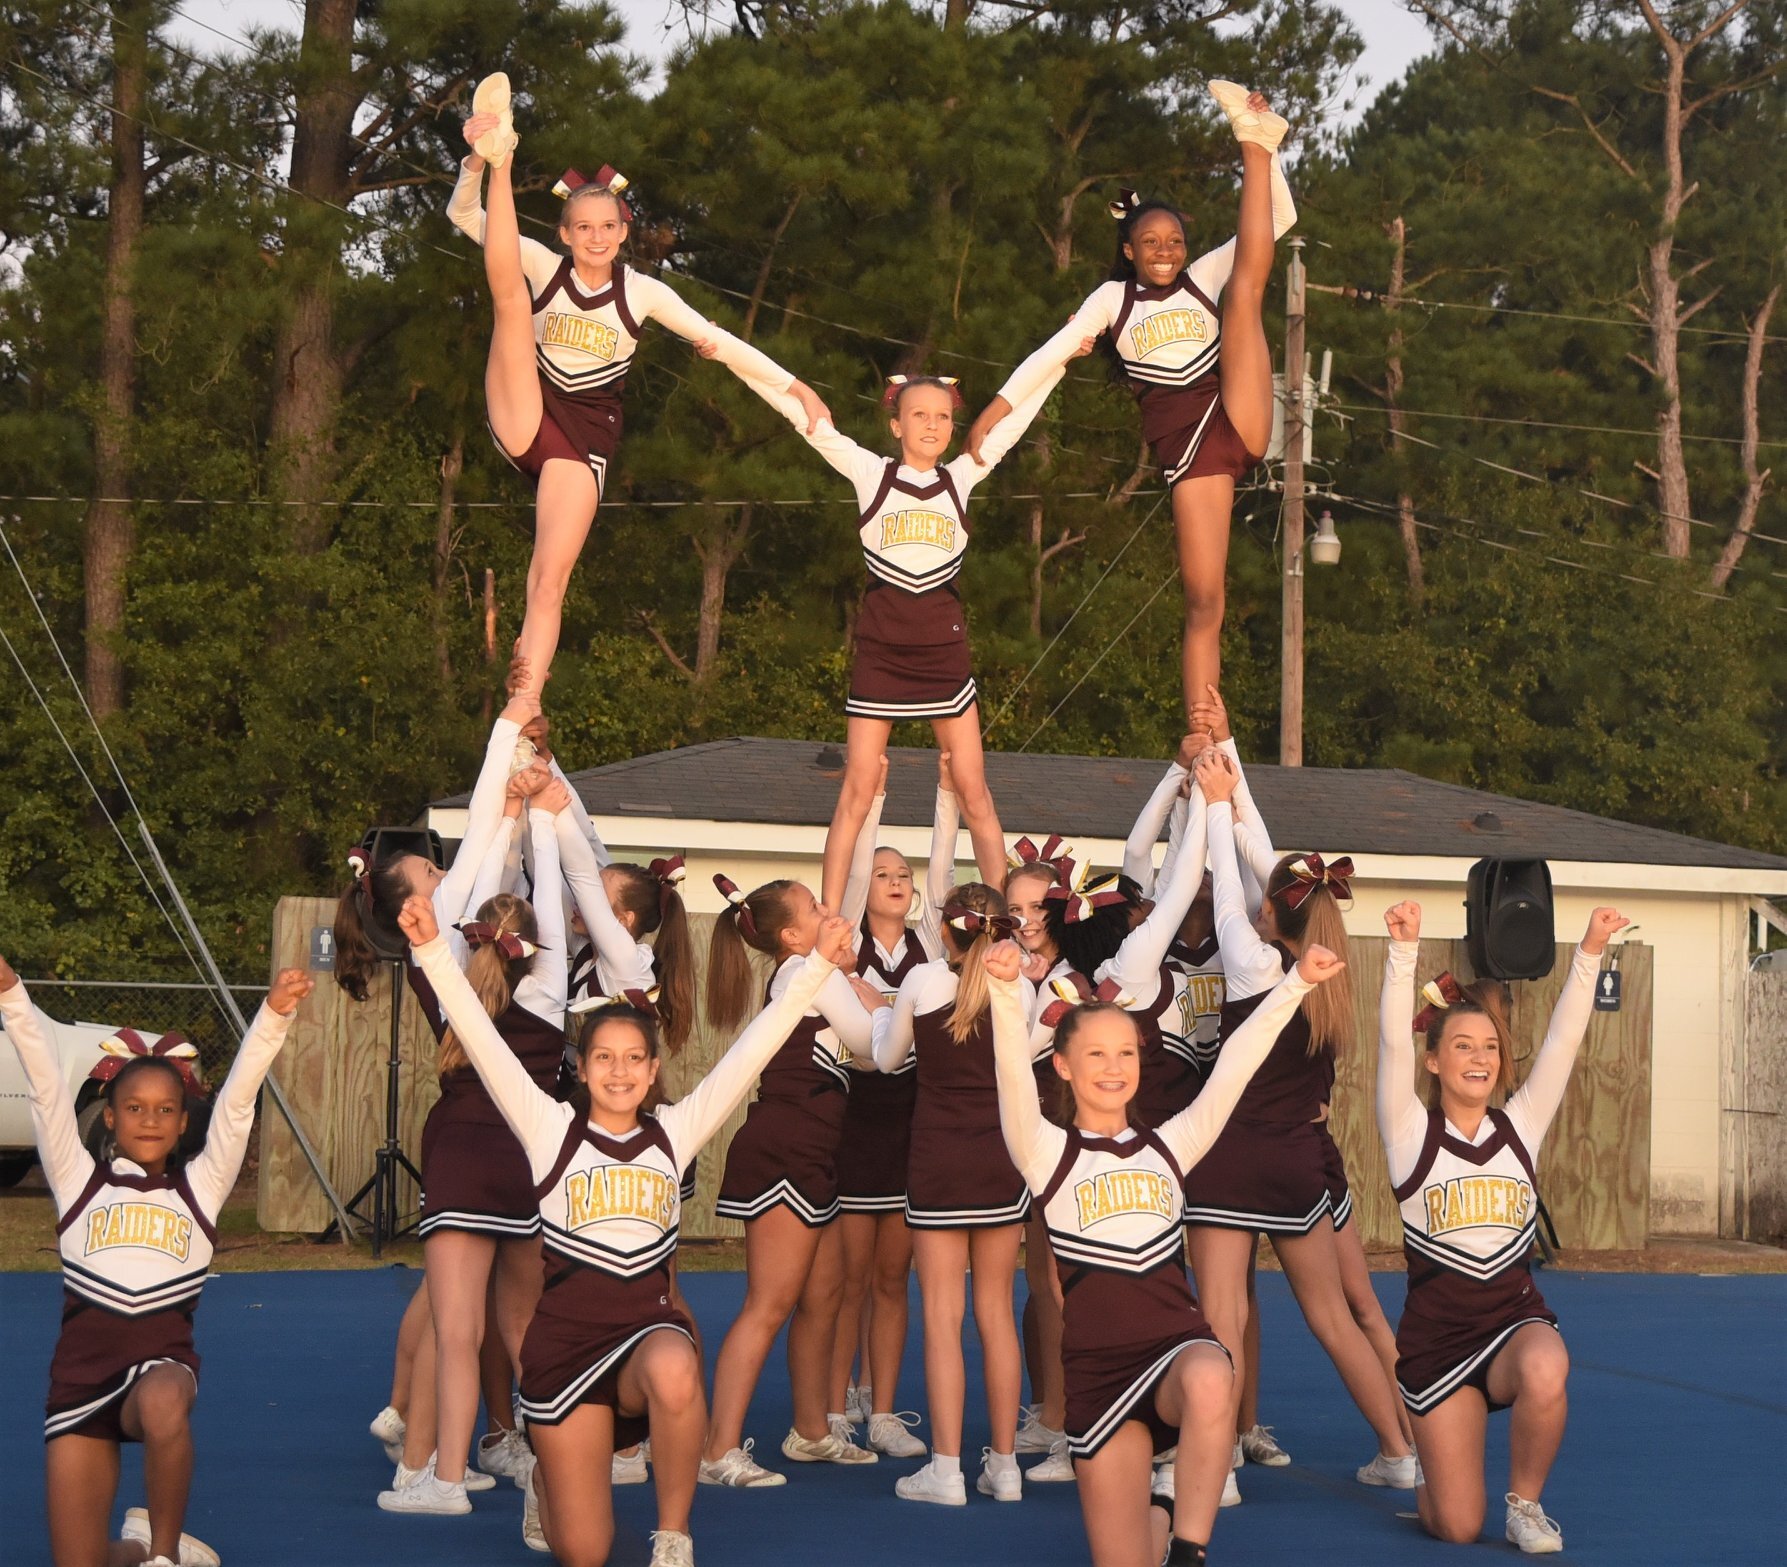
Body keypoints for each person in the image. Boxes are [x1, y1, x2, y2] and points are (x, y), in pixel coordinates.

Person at [399, 889, 857, 1567]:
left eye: (634, 1058)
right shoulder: (548, 1128)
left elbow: (754, 1047)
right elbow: (480, 1037)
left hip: (644, 1336)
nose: (619, 1071)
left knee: (676, 1363)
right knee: (584, 1553)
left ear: (652, 1069)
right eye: (604, 1058)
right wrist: (432, 950)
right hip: (565, 1351)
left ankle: (673, 1535)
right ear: (581, 1069)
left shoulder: (675, 1131)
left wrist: (817, 966)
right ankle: (546, 1481)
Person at [450, 73, 830, 698]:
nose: (597, 238)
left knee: (548, 581)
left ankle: (523, 706)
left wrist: (797, 388)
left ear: (623, 233)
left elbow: (720, 343)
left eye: (608, 227)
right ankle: (503, 157)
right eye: (583, 228)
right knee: (511, 302)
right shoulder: (545, 264)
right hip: (524, 406)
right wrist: (474, 163)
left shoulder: (644, 293)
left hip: (582, 441)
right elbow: (465, 216)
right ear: (565, 235)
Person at [987, 933, 1344, 1567]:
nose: (1114, 1067)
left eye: (1126, 1052)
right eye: (1096, 1053)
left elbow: (1238, 1061)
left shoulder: (1172, 1144)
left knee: (1211, 1373)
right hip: (1099, 1378)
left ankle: (1189, 1548)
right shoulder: (1045, 1152)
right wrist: (1003, 989)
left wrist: (1298, 984)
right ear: (1063, 1066)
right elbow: (1010, 1071)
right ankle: (1159, 1512)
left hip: (1175, 1352)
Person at [964, 84, 1298, 720]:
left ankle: (1254, 146)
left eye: (1174, 241)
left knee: (1244, 292)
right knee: (1205, 601)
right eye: (1151, 242)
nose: (1165, 252)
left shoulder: (1202, 276)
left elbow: (1276, 222)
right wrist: (994, 411)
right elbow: (1050, 356)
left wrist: (1270, 156)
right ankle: (1201, 728)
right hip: (1191, 451)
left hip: (1238, 410)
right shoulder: (1110, 301)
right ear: (1128, 250)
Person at [737, 344, 1092, 913]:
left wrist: (1063, 359)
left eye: (943, 417)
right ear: (895, 425)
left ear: (953, 427)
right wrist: (730, 357)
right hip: (881, 653)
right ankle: (832, 919)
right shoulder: (870, 473)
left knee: (974, 791)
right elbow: (804, 417)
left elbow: (1017, 417)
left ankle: (1006, 917)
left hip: (943, 654)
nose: (932, 425)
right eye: (919, 415)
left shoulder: (962, 476)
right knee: (857, 790)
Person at [1, 952, 312, 1567]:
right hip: (80, 1387)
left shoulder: (200, 1188)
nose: (150, 1119)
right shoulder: (78, 1180)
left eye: (165, 1109)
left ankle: (164, 1557)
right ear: (109, 1116)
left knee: (166, 1397)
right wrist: (12, 994)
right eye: (135, 1107)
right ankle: (140, 1546)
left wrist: (273, 1016)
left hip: (159, 1371)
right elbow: (45, 1086)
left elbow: (237, 1106)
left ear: (182, 1121)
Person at [1184, 749, 1419, 1489]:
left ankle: (1218, 1467)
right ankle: (1399, 1452)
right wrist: (1233, 783)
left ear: (1270, 912)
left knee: (1221, 1318)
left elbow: (1231, 883)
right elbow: (1275, 871)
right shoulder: (1329, 977)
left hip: (1228, 1159)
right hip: (1295, 1163)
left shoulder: (1252, 964)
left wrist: (1214, 804)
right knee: (1332, 1317)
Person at [1377, 900, 1627, 1555]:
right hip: (1438, 1347)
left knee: (1548, 1361)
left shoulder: (1520, 1125)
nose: (1479, 1057)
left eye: (1489, 1047)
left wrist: (1589, 951)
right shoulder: (1408, 1134)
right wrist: (1402, 951)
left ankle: (1525, 1505)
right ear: (1433, 1061)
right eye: (1462, 1045)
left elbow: (1564, 1041)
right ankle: (1432, 1469)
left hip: (1511, 1325)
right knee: (1457, 1525)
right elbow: (1391, 1044)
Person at [702, 876, 880, 1483]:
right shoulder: (806, 972)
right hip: (785, 1146)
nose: (827, 910)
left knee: (823, 1296)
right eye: (813, 906)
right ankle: (717, 1449)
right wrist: (885, 1004)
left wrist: (862, 993)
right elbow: (872, 1044)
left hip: (817, 1148)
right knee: (769, 1303)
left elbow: (863, 1055)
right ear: (791, 935)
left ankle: (810, 1431)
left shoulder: (815, 973)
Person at [867, 886, 1031, 1506]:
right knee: (997, 1313)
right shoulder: (1020, 987)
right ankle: (1006, 1466)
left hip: (938, 1162)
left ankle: (946, 1469)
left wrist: (879, 1011)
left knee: (942, 1315)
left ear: (946, 930)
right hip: (1000, 1159)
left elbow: (887, 1060)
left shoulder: (920, 981)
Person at [827, 757, 958, 1460]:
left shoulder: (929, 948)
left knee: (889, 1278)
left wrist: (948, 793)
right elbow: (849, 870)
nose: (896, 881)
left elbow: (943, 872)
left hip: (911, 1124)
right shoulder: (845, 942)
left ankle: (881, 1409)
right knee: (848, 1278)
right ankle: (835, 1404)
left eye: (902, 873)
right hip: (854, 1124)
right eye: (884, 874)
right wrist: (870, 797)